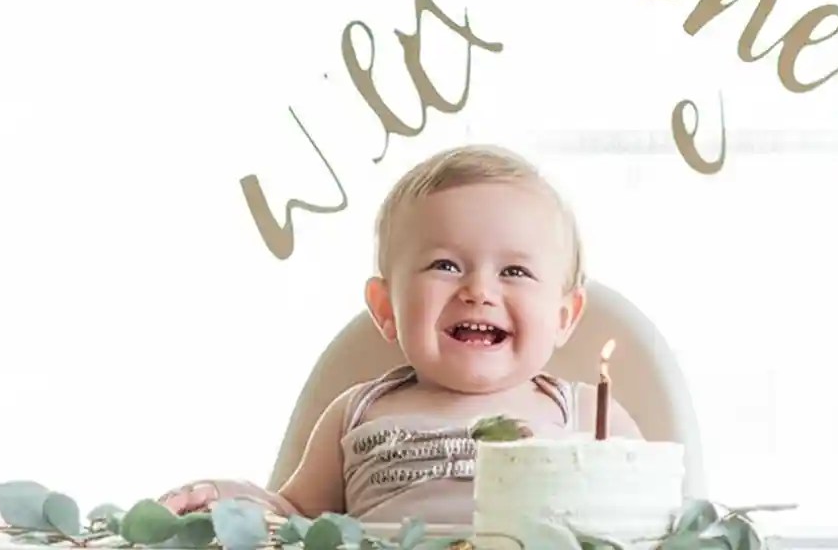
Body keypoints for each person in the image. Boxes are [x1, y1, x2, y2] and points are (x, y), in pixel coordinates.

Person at [158, 144, 641, 523]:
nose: (478, 291)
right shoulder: (357, 413)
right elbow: (294, 518)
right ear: (386, 307)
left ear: (564, 316)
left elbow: (653, 518)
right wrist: (233, 499)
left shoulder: (587, 418)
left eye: (514, 271)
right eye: (445, 265)